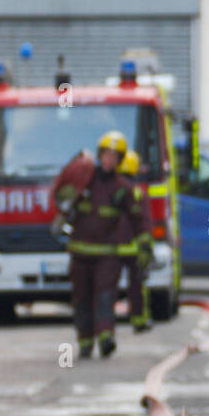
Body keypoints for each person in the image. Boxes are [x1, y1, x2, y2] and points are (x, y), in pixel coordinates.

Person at [53, 130, 153, 359]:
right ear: (100, 155)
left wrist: (145, 246)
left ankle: (106, 338)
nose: (109, 160)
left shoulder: (123, 188)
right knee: (81, 299)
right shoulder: (85, 179)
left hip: (108, 255)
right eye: (106, 155)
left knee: (105, 297)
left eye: (114, 156)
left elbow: (140, 219)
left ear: (119, 160)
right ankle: (85, 341)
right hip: (80, 253)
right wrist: (62, 209)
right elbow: (65, 199)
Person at [117, 149, 152, 332]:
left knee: (105, 288)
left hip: (111, 248)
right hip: (134, 248)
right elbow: (145, 221)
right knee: (137, 287)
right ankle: (139, 321)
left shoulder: (111, 190)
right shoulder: (138, 192)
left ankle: (104, 327)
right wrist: (147, 247)